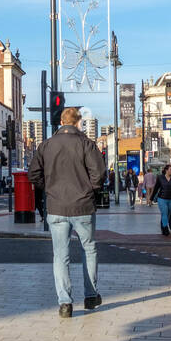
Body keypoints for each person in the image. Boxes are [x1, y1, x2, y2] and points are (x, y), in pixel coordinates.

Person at [28, 107, 106, 318]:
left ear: (61, 122)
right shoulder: (86, 144)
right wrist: (89, 189)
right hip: (83, 206)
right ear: (77, 122)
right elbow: (99, 174)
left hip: (56, 206)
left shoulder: (46, 145)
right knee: (88, 249)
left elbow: (33, 174)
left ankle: (65, 303)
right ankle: (90, 296)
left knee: (60, 256)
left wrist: (49, 188)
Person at [151, 164, 171, 236]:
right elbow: (156, 188)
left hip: (170, 199)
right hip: (162, 198)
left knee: (168, 214)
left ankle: (163, 226)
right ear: (166, 170)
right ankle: (166, 229)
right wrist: (151, 198)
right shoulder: (160, 177)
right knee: (164, 213)